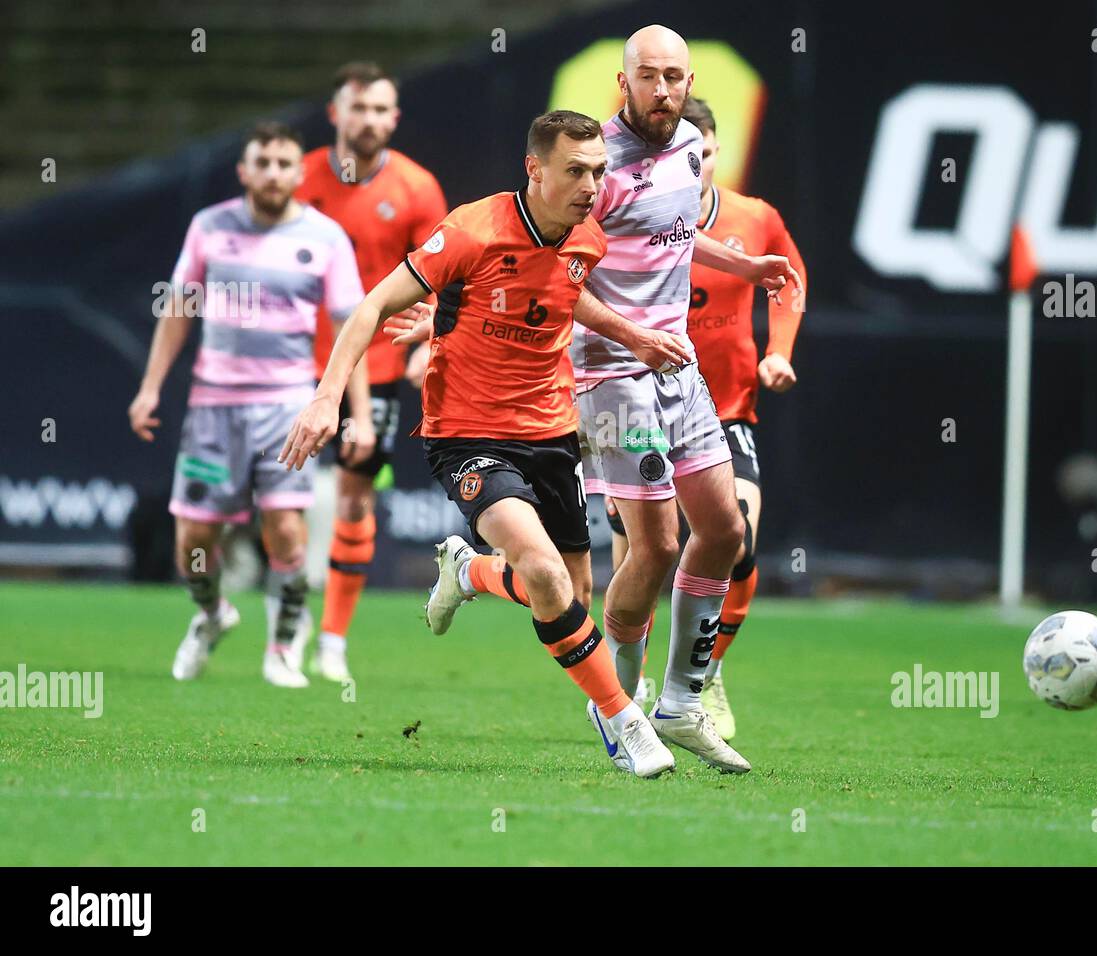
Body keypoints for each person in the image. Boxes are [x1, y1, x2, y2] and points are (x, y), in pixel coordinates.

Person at [280, 111, 693, 778]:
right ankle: (625, 723)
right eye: (575, 171)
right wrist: (328, 396)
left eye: (597, 171)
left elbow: (565, 292)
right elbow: (370, 307)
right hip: (467, 434)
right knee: (544, 571)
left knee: (569, 597)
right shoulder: (472, 230)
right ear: (535, 169)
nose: (592, 185)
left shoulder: (586, 235)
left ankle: (469, 571)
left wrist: (635, 337)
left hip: (552, 431)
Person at [569, 25, 801, 774]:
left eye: (675, 77)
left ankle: (678, 702)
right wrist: (633, 338)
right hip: (611, 376)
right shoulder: (593, 168)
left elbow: (674, 237)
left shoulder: (687, 151)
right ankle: (616, 707)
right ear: (623, 80)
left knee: (724, 532)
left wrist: (745, 261)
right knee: (656, 545)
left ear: (690, 79)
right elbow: (557, 279)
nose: (663, 90)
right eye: (649, 77)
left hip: (679, 369)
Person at [128, 121, 369, 688]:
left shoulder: (325, 237)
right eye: (262, 162)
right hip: (213, 408)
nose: (273, 173)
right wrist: (149, 387)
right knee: (193, 541)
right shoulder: (209, 228)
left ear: (298, 172)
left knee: (285, 528)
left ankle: (284, 642)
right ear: (243, 170)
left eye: (285, 164)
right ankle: (212, 614)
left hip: (286, 405)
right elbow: (179, 309)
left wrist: (353, 412)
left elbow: (351, 328)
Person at [295, 61, 449, 682]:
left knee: (355, 495)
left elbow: (442, 276)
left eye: (381, 109)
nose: (370, 120)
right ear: (336, 113)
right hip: (289, 361)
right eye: (358, 108)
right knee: (276, 496)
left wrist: (423, 344)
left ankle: (331, 638)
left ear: (395, 118)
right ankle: (287, 611)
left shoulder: (415, 189)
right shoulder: (297, 179)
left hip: (376, 365)